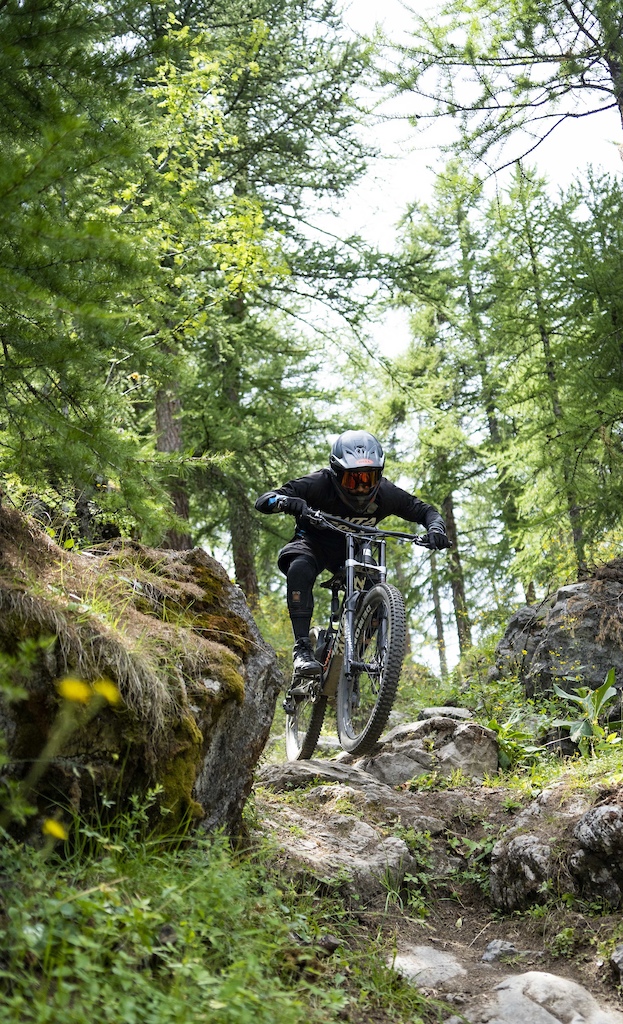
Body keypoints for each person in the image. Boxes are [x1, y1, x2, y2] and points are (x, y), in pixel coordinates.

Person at [255, 429, 451, 676]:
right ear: (336, 474)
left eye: (368, 480)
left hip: (357, 549)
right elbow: (264, 501)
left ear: (379, 476)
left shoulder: (386, 494)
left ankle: (355, 656)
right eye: (353, 480)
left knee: (376, 598)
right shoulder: (318, 484)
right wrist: (285, 502)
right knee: (300, 567)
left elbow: (426, 512)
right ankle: (302, 649)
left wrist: (435, 528)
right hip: (315, 543)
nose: (360, 488)